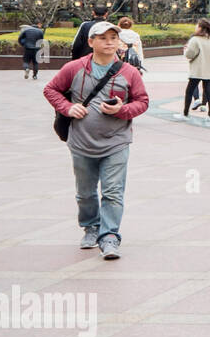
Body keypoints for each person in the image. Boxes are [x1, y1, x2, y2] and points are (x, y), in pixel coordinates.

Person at [43, 21, 150, 259]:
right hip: (81, 141)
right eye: (103, 38)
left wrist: (121, 110)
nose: (109, 42)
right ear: (91, 42)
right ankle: (91, 227)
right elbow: (51, 90)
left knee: (113, 192)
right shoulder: (74, 68)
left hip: (116, 142)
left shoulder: (129, 72)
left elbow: (142, 102)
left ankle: (110, 236)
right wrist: (68, 108)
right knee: (85, 192)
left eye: (113, 37)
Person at [181, 18, 210, 121]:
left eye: (197, 25)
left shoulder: (195, 39)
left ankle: (185, 114)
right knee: (209, 91)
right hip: (209, 70)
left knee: (189, 91)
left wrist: (185, 50)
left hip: (197, 70)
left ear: (201, 28)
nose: (195, 27)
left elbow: (189, 54)